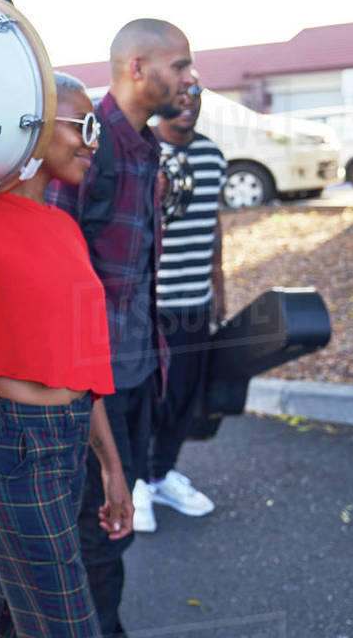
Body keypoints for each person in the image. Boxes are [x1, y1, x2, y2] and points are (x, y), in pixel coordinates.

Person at [0, 23, 134, 637]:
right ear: (33, 124)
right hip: (14, 448)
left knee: (3, 621)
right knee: (68, 625)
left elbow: (84, 367)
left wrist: (111, 468)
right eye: (81, 125)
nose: (94, 141)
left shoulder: (63, 228)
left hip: (68, 444)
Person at [47, 19, 195, 637]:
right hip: (89, 389)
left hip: (135, 376)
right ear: (137, 68)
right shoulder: (88, 144)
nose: (191, 79)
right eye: (180, 65)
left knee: (114, 528)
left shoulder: (147, 147)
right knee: (95, 540)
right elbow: (56, 275)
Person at [132, 80, 226, 533]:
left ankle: (160, 474)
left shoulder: (212, 155)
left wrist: (219, 285)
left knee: (185, 397)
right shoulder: (144, 151)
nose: (189, 106)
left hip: (196, 301)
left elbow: (213, 223)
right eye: (181, 98)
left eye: (197, 97)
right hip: (154, 303)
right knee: (149, 398)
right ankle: (135, 484)